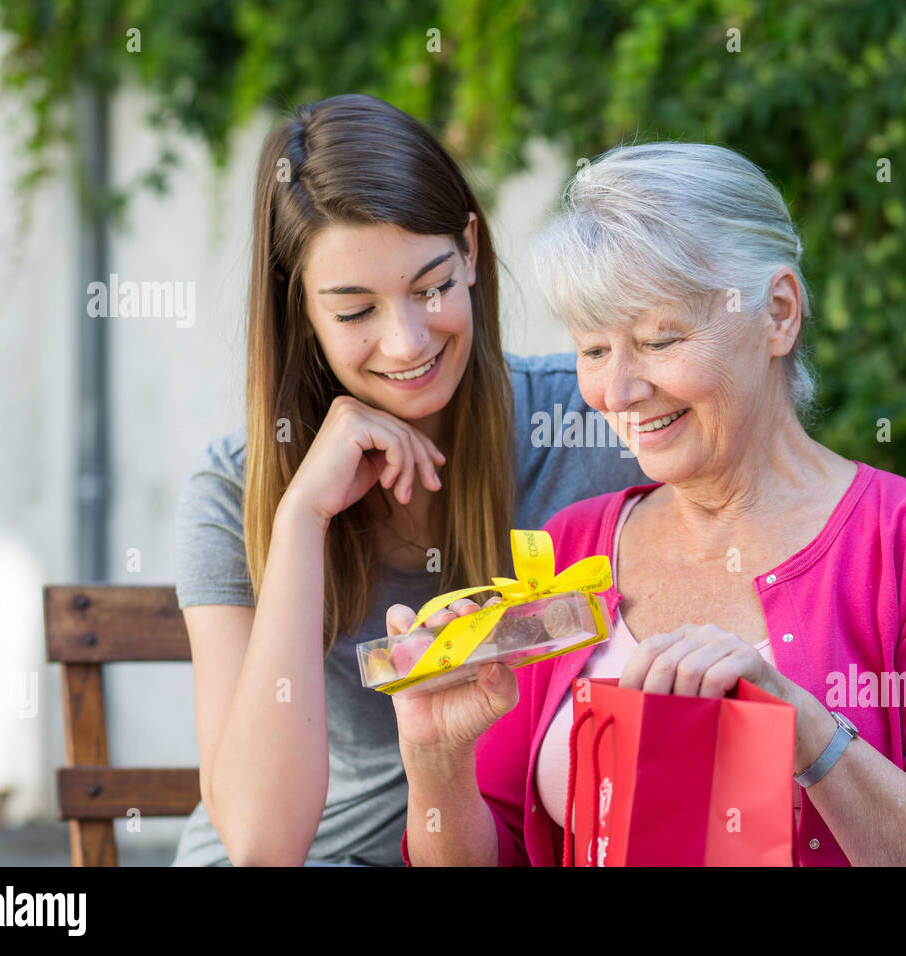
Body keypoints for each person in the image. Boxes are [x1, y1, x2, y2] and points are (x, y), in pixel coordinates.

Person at [390, 141, 906, 866]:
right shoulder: (570, 549)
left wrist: (804, 730)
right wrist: (437, 760)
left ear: (779, 314)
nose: (620, 390)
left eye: (659, 339)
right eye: (595, 349)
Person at [170, 94, 647, 866]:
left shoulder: (593, 425)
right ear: (303, 314)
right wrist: (300, 520)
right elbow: (262, 843)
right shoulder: (232, 493)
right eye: (356, 310)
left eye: (429, 287)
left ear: (469, 249)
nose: (408, 340)